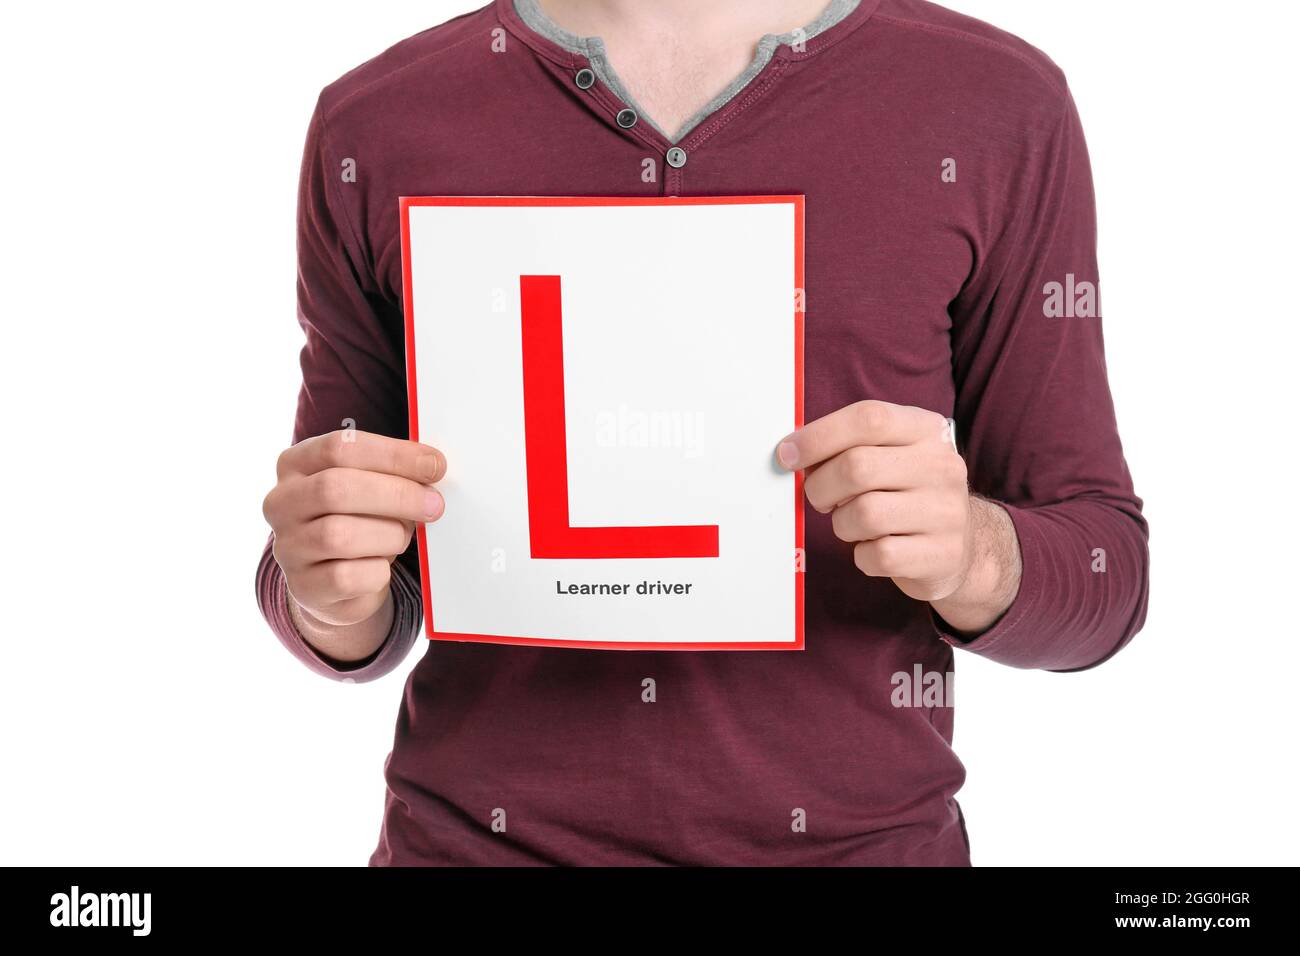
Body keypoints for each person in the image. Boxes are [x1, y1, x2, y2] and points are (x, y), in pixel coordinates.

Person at [258, 0, 1149, 865]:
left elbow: (1106, 570)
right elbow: (341, 560)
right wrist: (328, 598)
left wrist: (973, 556)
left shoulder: (996, 99)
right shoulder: (375, 121)